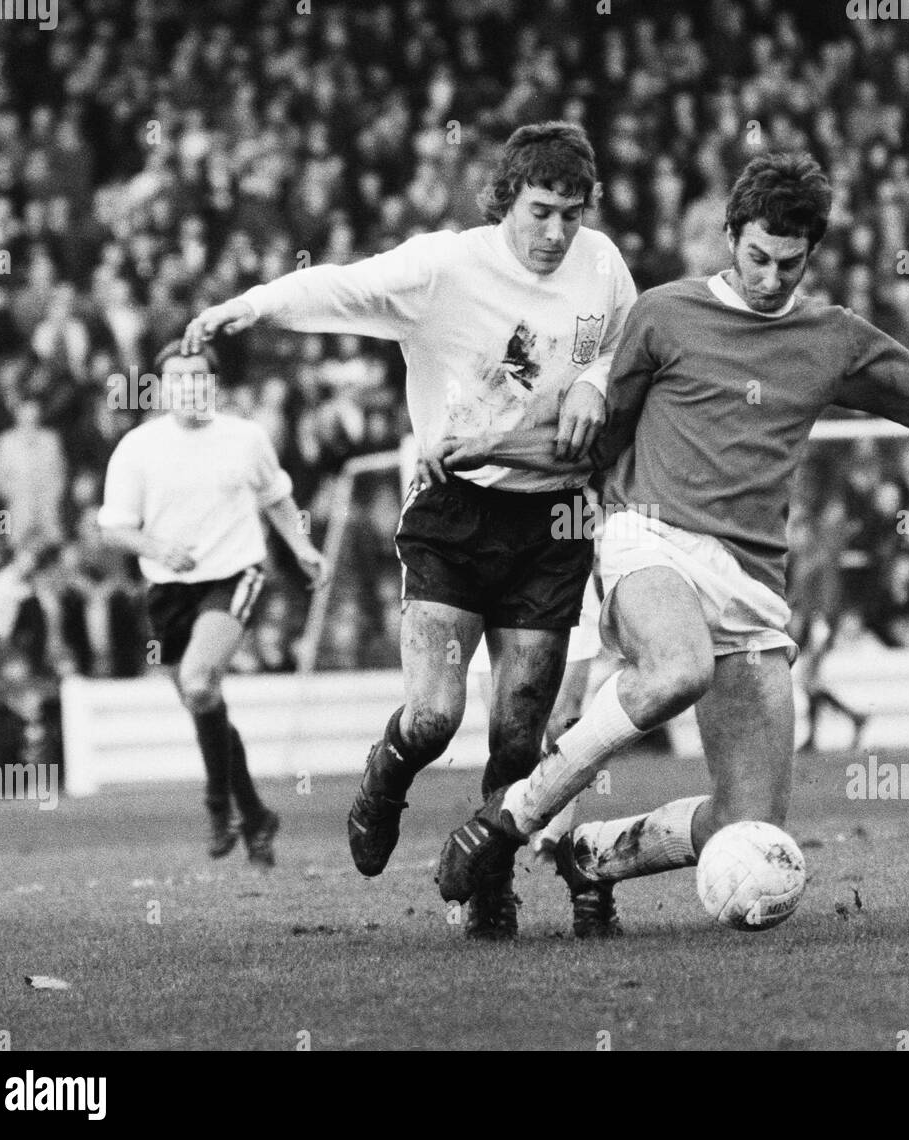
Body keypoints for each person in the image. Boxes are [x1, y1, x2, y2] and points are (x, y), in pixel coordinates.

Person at [434, 152, 909, 931]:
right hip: (650, 540)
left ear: (813, 255)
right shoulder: (665, 315)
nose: (770, 277)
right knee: (677, 670)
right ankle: (507, 822)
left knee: (750, 831)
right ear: (731, 236)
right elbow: (586, 438)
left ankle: (594, 854)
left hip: (753, 584)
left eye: (789, 264)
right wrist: (492, 444)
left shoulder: (832, 339)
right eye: (757, 257)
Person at [181, 122, 637, 938]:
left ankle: (490, 881)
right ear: (505, 199)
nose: (555, 233)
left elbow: (630, 348)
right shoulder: (445, 266)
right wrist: (245, 307)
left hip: (554, 518)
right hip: (454, 511)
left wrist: (595, 384)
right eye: (540, 211)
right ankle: (386, 775)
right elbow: (338, 287)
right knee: (433, 715)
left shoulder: (601, 264)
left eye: (571, 213)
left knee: (516, 734)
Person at [98, 342, 327, 866]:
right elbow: (112, 529)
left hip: (235, 574)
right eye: (178, 380)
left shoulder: (245, 438)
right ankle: (256, 814)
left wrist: (302, 547)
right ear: (160, 389)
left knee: (199, 682)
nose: (190, 389)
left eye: (199, 378)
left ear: (214, 385)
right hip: (168, 591)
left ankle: (217, 804)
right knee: (204, 702)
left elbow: (276, 497)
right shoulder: (138, 447)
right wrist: (158, 549)